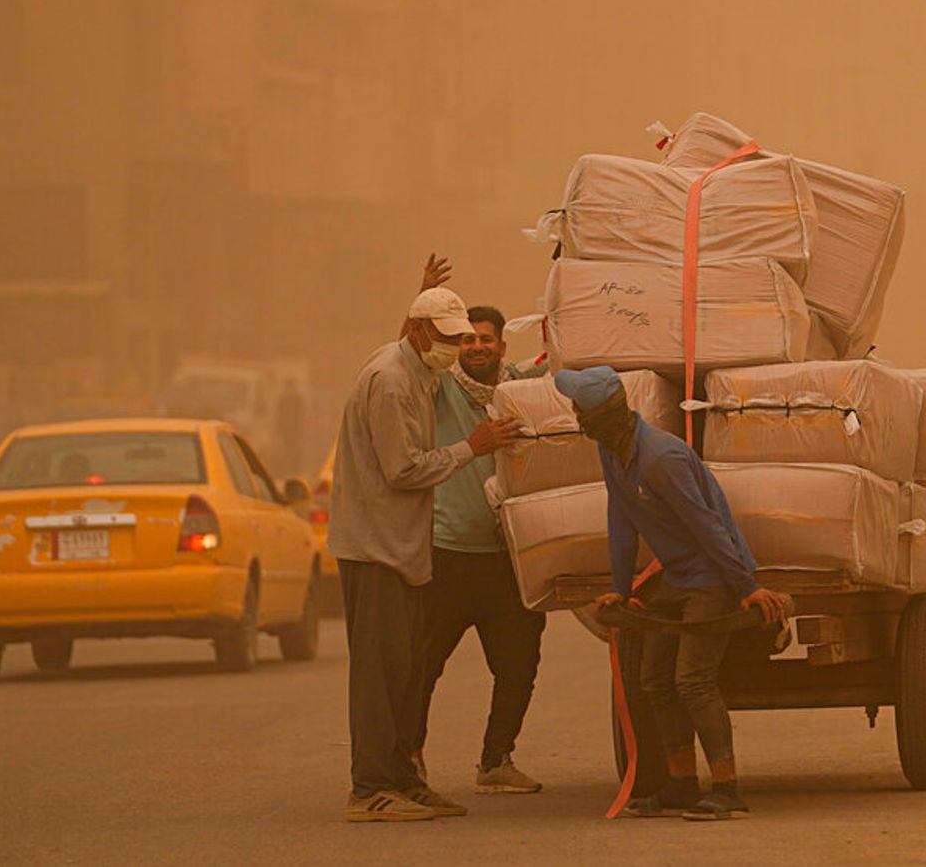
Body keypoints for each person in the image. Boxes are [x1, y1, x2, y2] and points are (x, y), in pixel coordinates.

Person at [328, 263, 524, 823]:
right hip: (375, 547)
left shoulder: (417, 368)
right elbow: (403, 470)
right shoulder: (392, 380)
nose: (457, 349)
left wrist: (421, 300)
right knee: (377, 674)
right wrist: (474, 446)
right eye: (448, 339)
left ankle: (401, 779)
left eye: (461, 338)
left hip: (401, 547)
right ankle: (370, 790)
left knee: (403, 672)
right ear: (421, 335)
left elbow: (415, 343)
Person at [554, 366, 789, 821]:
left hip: (711, 577)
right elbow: (620, 520)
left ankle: (728, 789)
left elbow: (709, 525)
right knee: (654, 679)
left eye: (578, 410)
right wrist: (619, 590)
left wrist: (746, 586)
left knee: (692, 680)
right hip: (678, 577)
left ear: (596, 417)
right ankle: (682, 783)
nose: (575, 417)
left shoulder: (661, 459)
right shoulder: (612, 451)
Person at [410, 299, 550, 795]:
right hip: (447, 555)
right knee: (421, 667)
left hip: (508, 560)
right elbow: (409, 353)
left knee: (519, 665)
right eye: (467, 339)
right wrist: (420, 305)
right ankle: (410, 760)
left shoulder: (519, 389)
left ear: (501, 346)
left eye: (485, 339)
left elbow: (565, 363)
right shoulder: (440, 386)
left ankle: (496, 760)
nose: (475, 347)